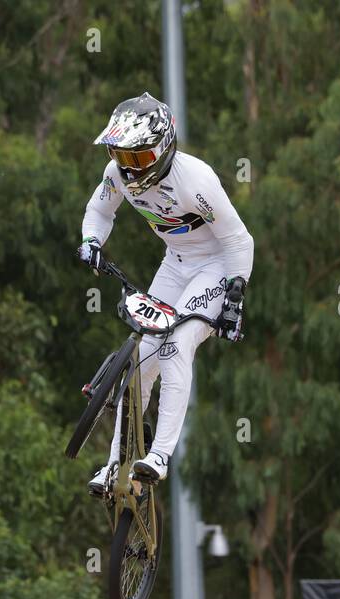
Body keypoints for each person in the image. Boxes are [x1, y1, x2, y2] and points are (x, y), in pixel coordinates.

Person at [77, 92, 253, 494]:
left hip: (217, 267)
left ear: (162, 149)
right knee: (141, 359)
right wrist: (91, 241)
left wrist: (234, 299)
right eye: (121, 156)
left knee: (176, 343)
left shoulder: (196, 180)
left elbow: (240, 241)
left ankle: (158, 455)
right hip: (175, 263)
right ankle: (114, 466)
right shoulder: (118, 173)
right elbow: (100, 212)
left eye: (138, 158)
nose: (129, 168)